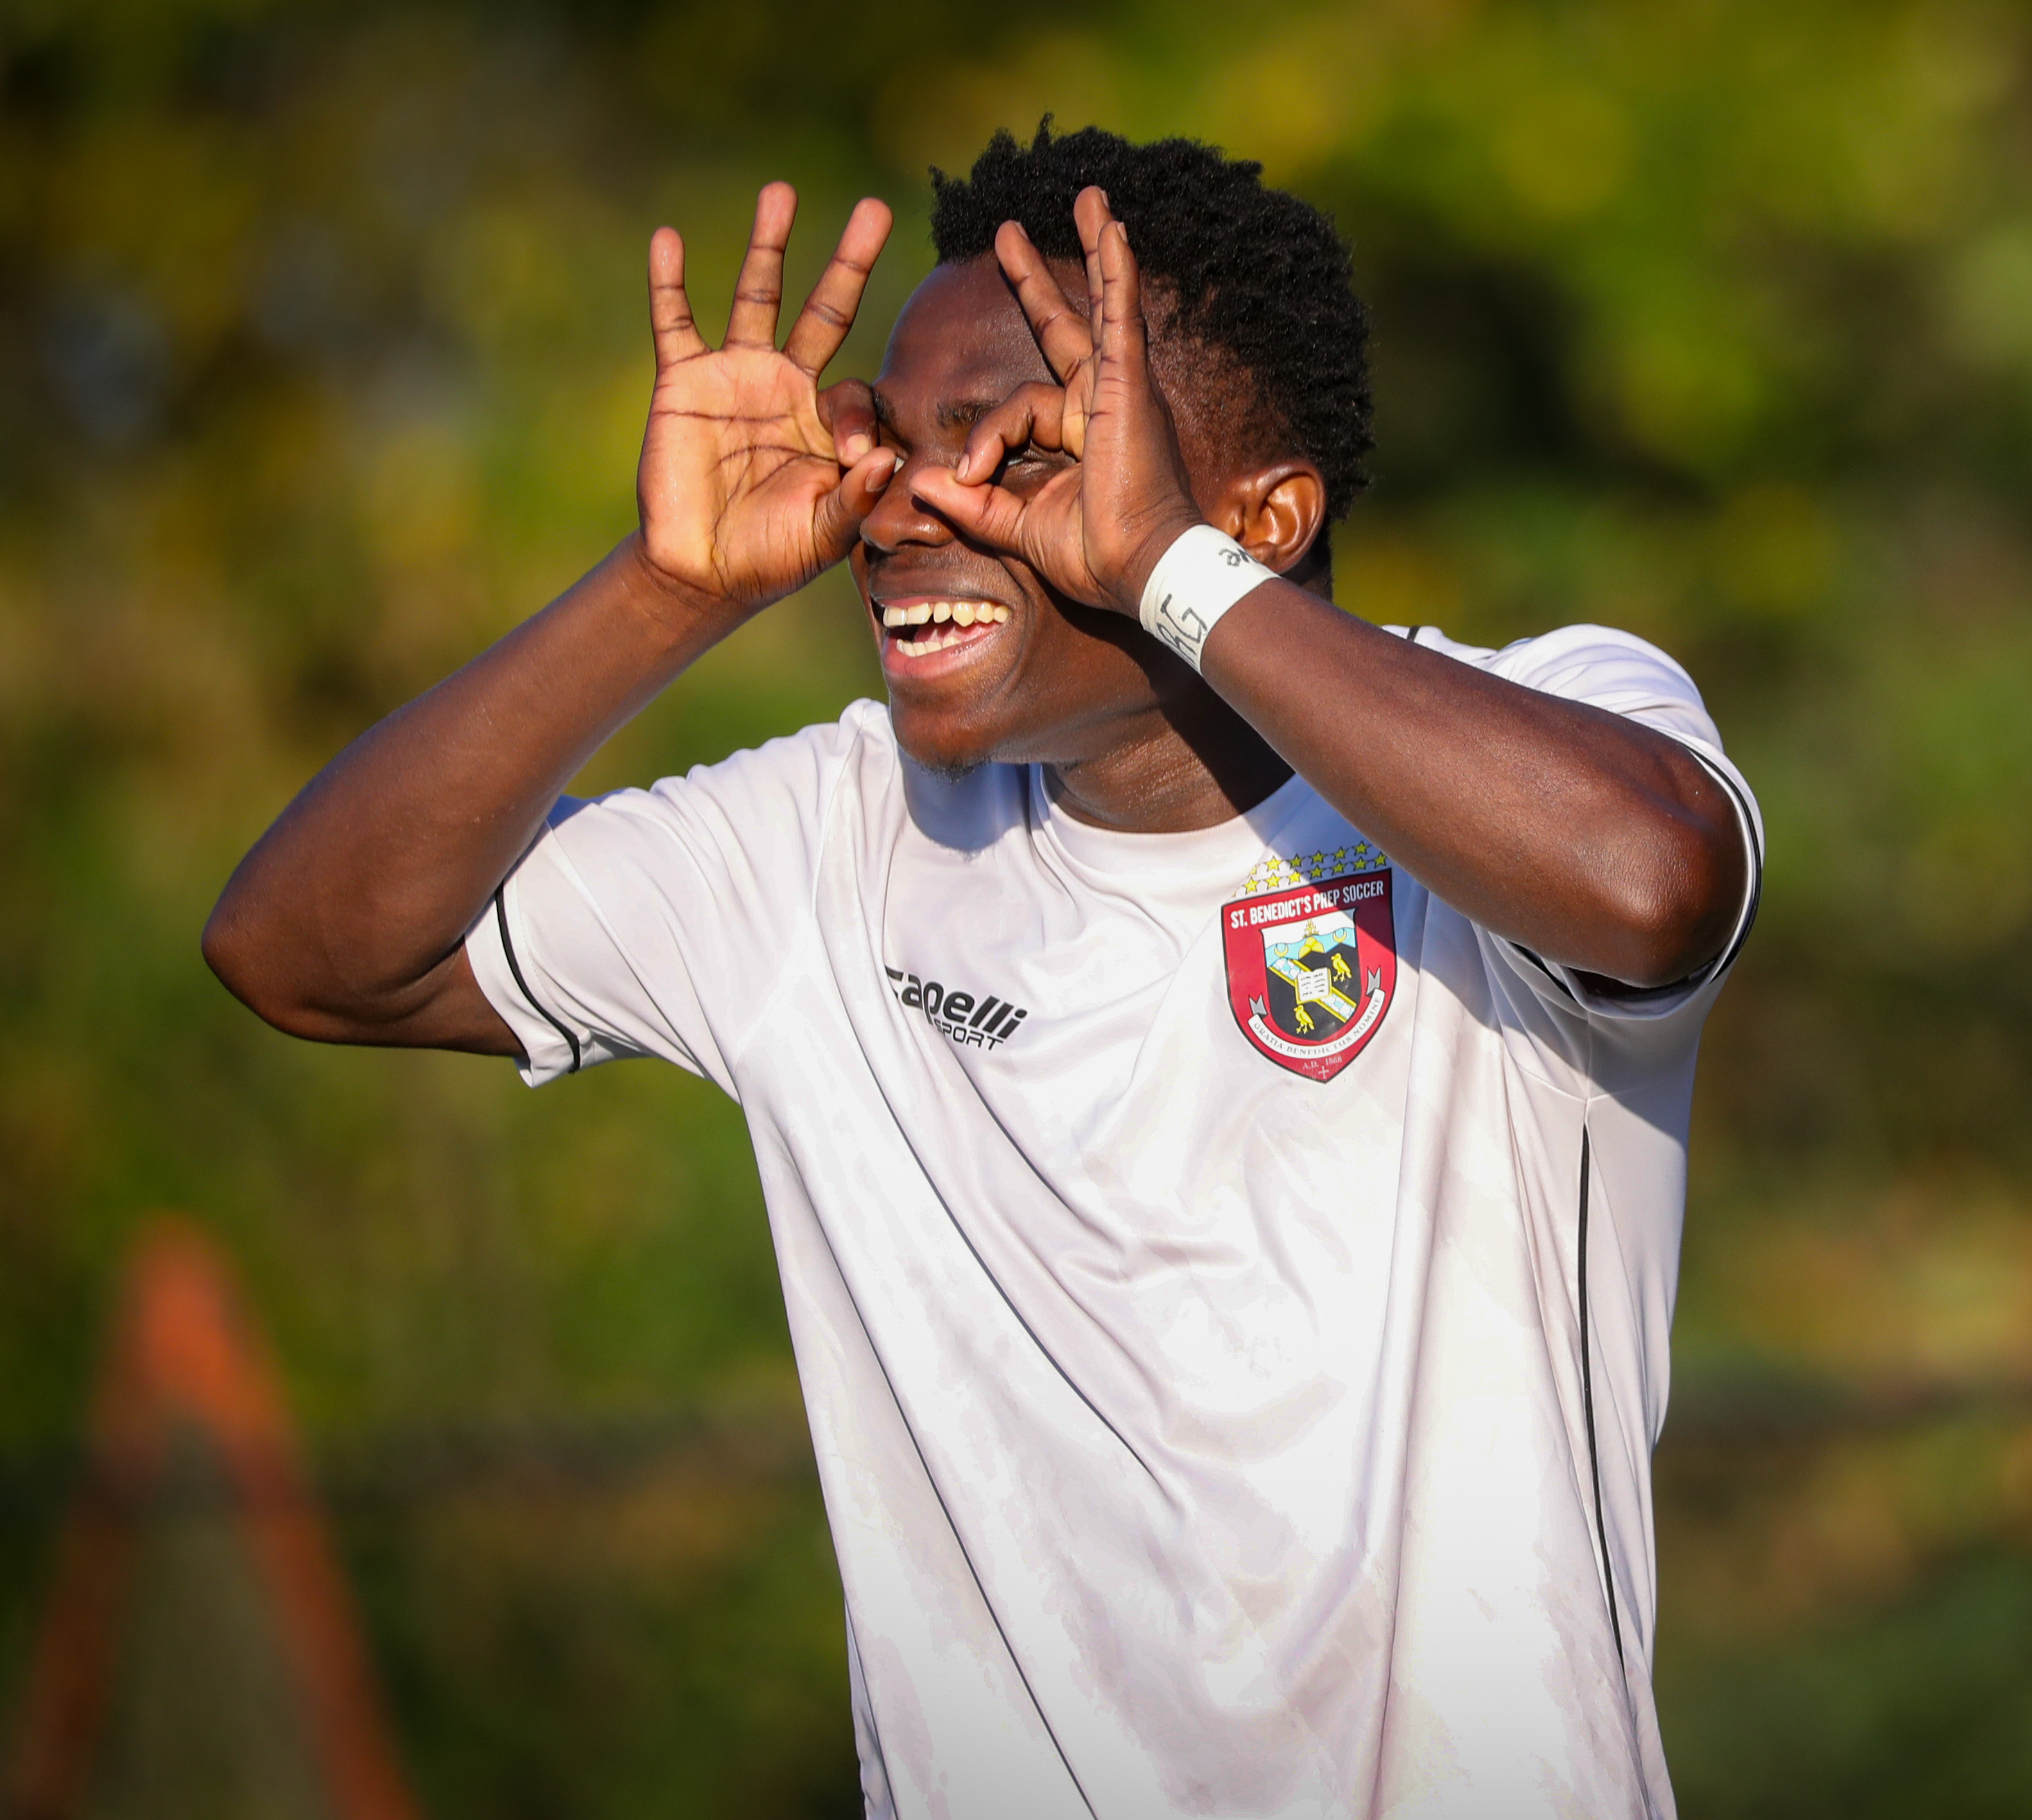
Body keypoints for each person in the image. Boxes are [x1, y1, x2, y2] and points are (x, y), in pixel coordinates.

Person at [205, 124, 1758, 1819]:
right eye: (894, 447)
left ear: (1258, 515)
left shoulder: (1542, 725)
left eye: (1018, 452)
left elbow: (1649, 880)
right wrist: (663, 592)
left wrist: (1164, 572)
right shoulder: (828, 841)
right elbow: (303, 951)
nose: (907, 508)